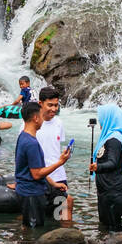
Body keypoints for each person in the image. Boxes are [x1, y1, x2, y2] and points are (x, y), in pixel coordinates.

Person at [15, 100, 71, 228]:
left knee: (29, 227)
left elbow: (33, 169)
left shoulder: (23, 136)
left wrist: (54, 184)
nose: (43, 119)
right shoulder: (31, 143)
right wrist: (60, 162)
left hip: (26, 191)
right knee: (33, 230)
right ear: (35, 118)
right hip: (31, 194)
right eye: (41, 116)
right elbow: (37, 174)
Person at [89, 102, 122, 230]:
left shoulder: (114, 140)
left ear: (110, 119)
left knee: (114, 233)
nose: (100, 122)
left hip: (114, 193)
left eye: (102, 118)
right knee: (105, 230)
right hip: (106, 192)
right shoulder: (107, 137)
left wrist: (98, 168)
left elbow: (113, 163)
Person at [35, 88, 72, 221]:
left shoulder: (59, 123)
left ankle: (63, 237)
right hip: (40, 175)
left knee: (59, 214)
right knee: (41, 214)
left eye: (56, 105)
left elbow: (56, 147)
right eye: (50, 105)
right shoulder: (31, 123)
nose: (54, 109)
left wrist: (66, 155)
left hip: (59, 176)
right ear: (40, 103)